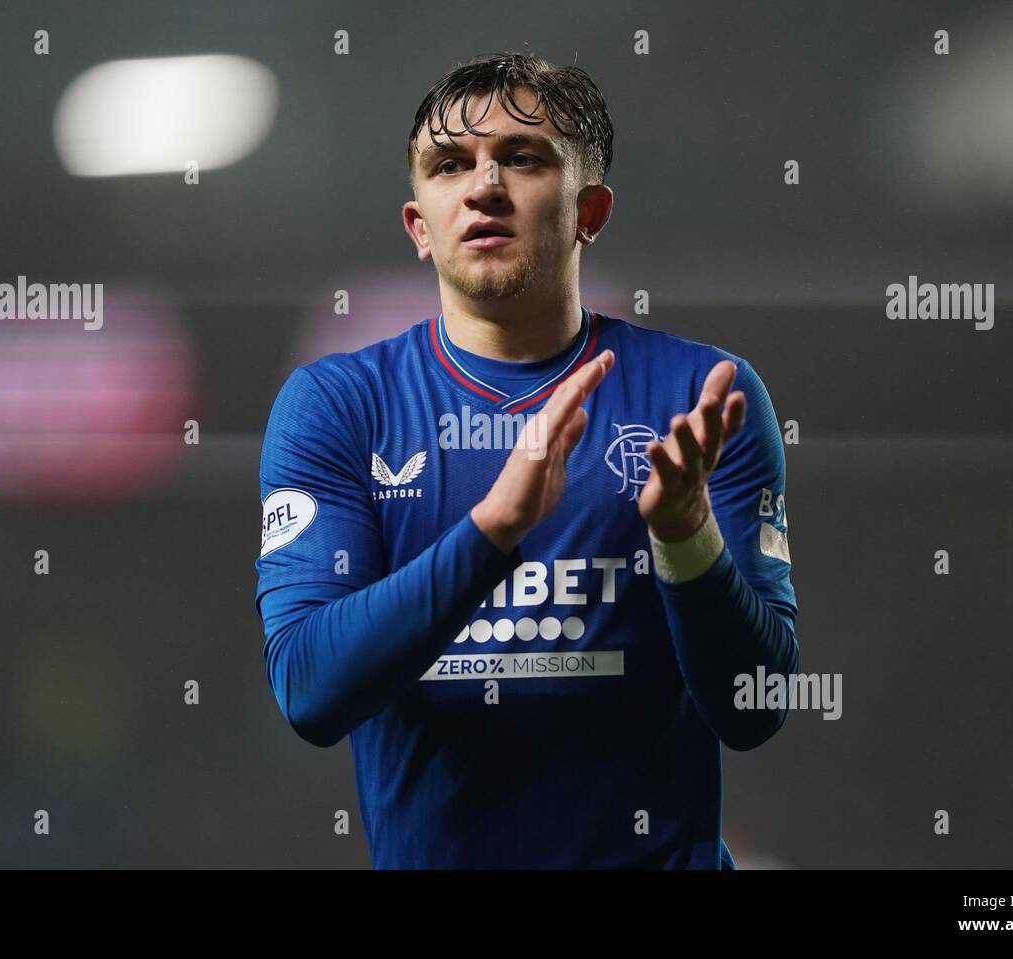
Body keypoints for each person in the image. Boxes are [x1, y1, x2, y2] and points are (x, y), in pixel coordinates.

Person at [255, 53, 798, 868]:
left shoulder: (702, 397)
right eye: (450, 165)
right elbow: (310, 690)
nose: (483, 186)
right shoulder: (338, 406)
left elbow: (757, 709)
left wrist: (687, 538)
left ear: (590, 210)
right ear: (419, 226)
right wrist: (492, 532)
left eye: (522, 157)